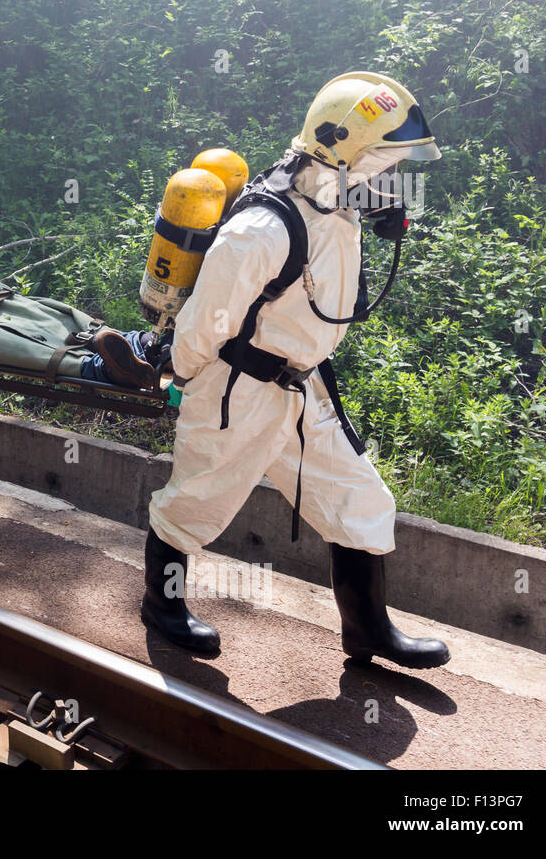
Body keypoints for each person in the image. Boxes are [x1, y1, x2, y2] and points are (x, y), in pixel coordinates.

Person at [141, 71, 451, 670]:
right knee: (196, 500)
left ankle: (368, 630)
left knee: (360, 499)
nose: (395, 183)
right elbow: (204, 324)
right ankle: (162, 604)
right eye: (387, 167)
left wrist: (380, 215)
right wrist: (181, 378)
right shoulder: (260, 230)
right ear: (346, 157)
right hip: (240, 389)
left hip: (304, 389)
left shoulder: (337, 211)